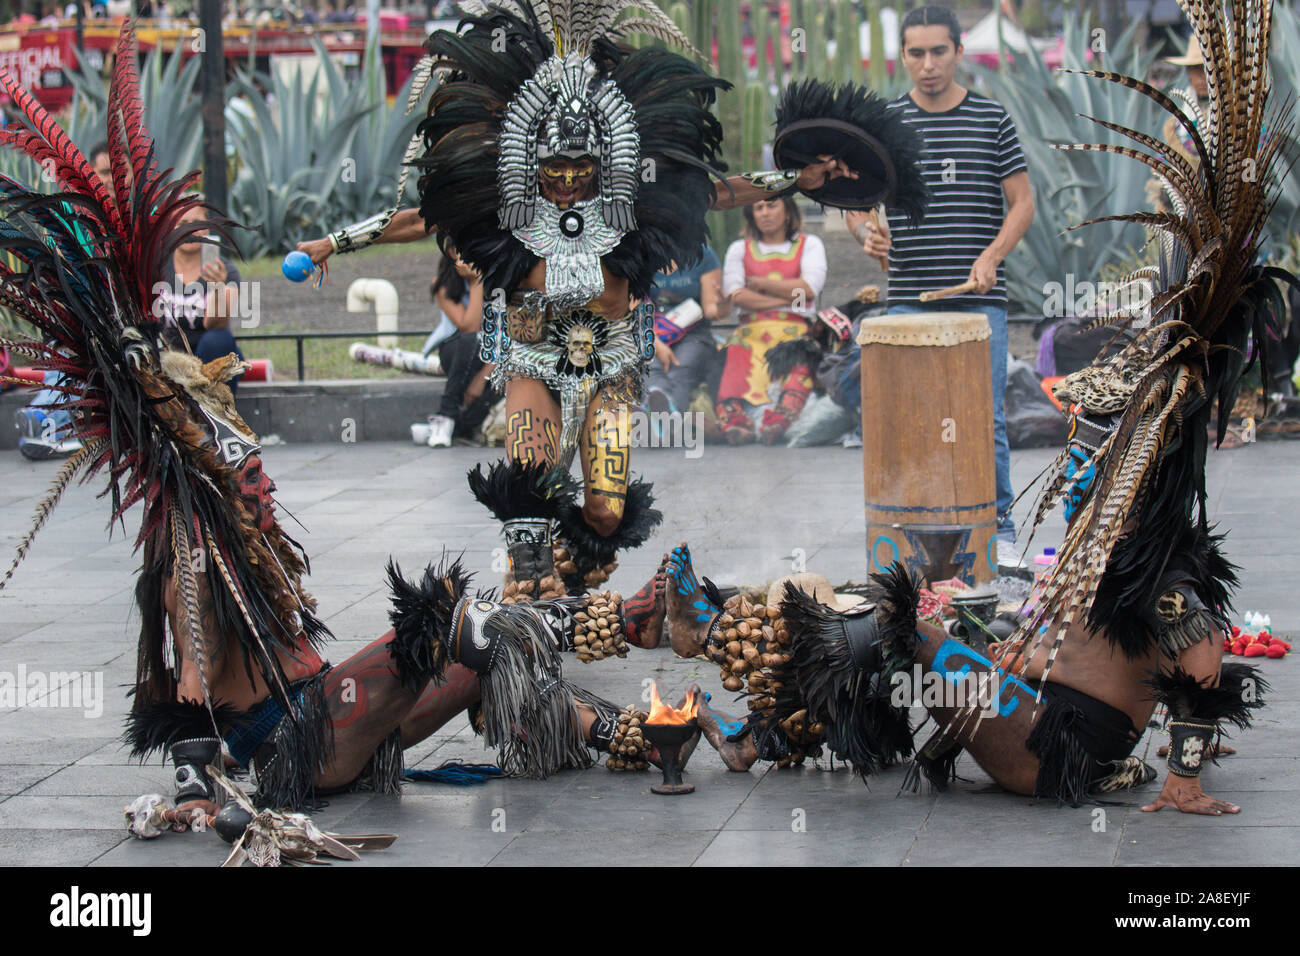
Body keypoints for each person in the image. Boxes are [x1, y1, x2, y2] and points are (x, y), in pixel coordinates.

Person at [296, 0, 888, 601]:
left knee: (605, 513)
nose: (570, 176)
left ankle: (575, 573)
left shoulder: (634, 197)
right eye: (556, 164)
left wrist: (798, 181)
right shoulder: (507, 204)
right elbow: (421, 218)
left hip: (610, 362)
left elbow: (717, 191)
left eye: (583, 164)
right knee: (529, 496)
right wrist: (331, 244)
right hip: (531, 356)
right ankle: (531, 613)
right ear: (532, 156)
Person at [853, 4, 1034, 564]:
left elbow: (1023, 202)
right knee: (908, 417)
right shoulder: (886, 122)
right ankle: (909, 532)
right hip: (907, 297)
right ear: (903, 56)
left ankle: (997, 532)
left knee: (985, 415)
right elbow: (854, 201)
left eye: (938, 51)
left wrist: (993, 256)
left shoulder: (991, 118)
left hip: (980, 302)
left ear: (958, 51)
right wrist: (865, 231)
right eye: (915, 53)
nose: (927, 64)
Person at [716, 197, 827, 445]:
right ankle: (737, 424)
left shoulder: (810, 245)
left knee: (801, 357)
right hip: (750, 332)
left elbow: (808, 290)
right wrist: (785, 299)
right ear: (751, 214)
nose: (765, 213)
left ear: (788, 211)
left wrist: (760, 284)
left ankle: (779, 419)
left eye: (772, 205)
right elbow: (737, 296)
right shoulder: (738, 249)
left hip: (794, 330)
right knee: (736, 354)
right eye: (758, 207)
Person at [153, 197, 247, 392]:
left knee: (218, 339)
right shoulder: (155, 267)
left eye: (197, 224)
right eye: (183, 224)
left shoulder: (225, 270)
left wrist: (217, 288)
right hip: (167, 355)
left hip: (208, 356)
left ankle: (215, 415)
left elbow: (215, 324)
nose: (190, 231)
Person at [426, 249, 499, 446]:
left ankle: (458, 425)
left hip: (492, 355)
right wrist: (476, 283)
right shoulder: (443, 284)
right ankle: (446, 414)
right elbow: (469, 327)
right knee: (470, 340)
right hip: (456, 349)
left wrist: (482, 377)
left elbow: (505, 335)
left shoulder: (500, 282)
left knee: (502, 381)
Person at [644, 243, 723, 420]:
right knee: (649, 364)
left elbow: (710, 308)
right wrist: (656, 344)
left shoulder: (702, 254)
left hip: (693, 332)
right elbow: (634, 310)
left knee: (682, 366)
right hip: (651, 331)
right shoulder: (641, 254)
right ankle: (662, 410)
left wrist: (722, 308)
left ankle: (663, 417)